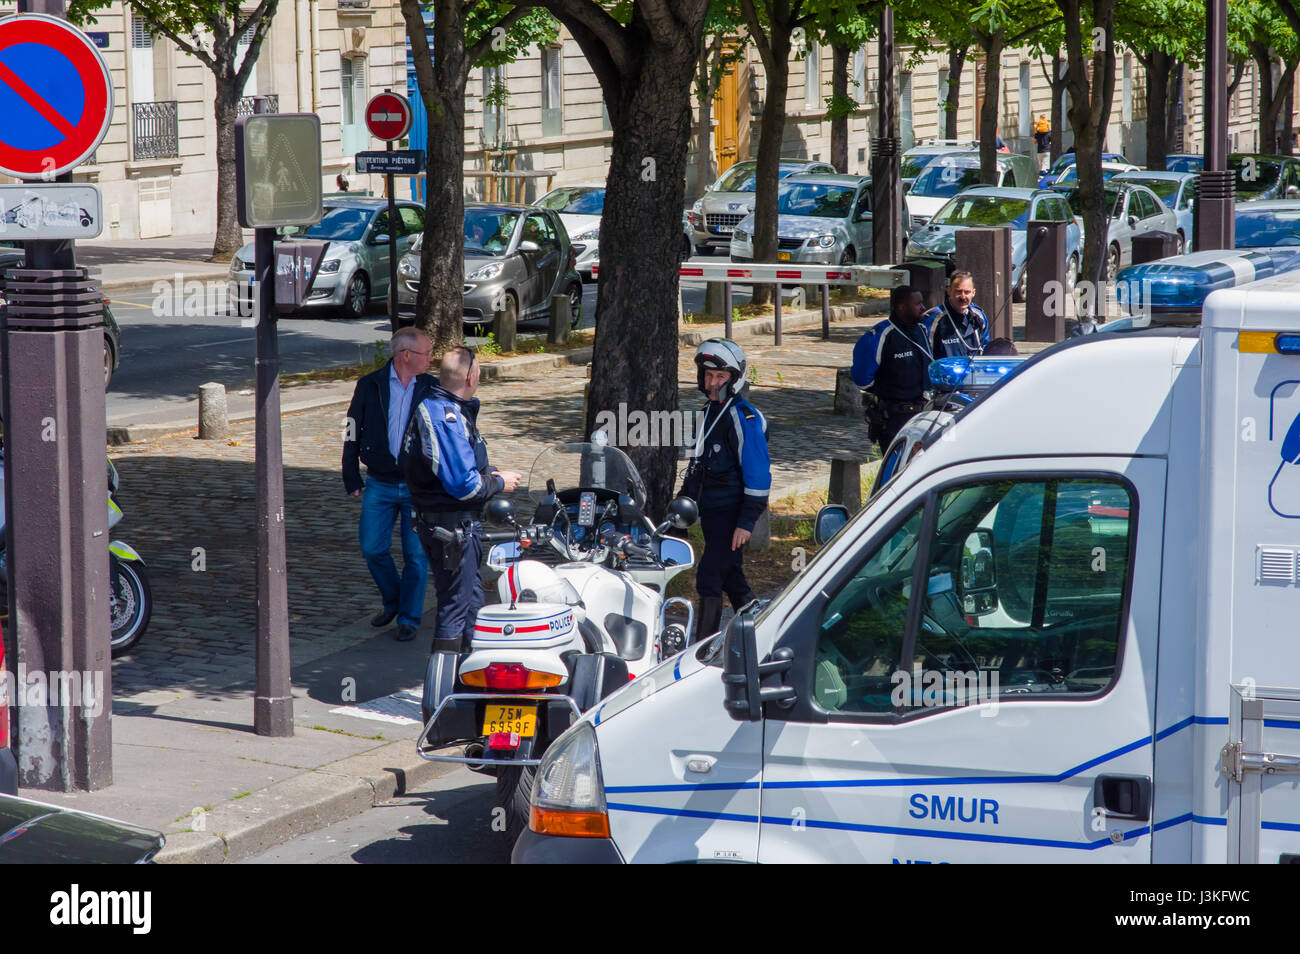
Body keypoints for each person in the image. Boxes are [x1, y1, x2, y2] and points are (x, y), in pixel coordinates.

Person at [407, 346, 522, 652]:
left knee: (471, 603)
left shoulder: (446, 408)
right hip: (451, 528)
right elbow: (464, 485)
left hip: (451, 525)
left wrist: (490, 471)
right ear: (470, 376)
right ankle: (442, 690)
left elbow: (459, 465)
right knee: (455, 607)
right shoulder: (445, 416)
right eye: (480, 373)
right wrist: (498, 482)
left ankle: (471, 679)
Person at [343, 327, 439, 641]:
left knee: (416, 556)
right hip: (380, 483)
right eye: (427, 353)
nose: (431, 358)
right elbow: (352, 429)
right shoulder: (370, 385)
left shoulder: (432, 387)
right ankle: (394, 600)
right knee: (372, 548)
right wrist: (350, 472)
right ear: (406, 355)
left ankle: (409, 619)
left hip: (418, 487)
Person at [678, 338, 771, 642]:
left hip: (732, 515)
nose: (712, 382)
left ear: (735, 379)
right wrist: (682, 503)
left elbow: (758, 474)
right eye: (708, 375)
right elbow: (697, 465)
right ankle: (764, 631)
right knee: (732, 577)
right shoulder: (707, 413)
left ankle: (701, 647)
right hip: (711, 513)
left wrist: (747, 522)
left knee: (709, 577)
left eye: (720, 377)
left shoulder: (742, 416)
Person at [852, 285, 935, 452]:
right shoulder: (881, 335)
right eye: (917, 304)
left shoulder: (922, 330)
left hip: (923, 413)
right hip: (895, 418)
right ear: (902, 307)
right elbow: (862, 379)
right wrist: (890, 391)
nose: (923, 308)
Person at [927, 270, 990, 359]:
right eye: (958, 291)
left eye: (967, 292)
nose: (963, 297)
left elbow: (986, 350)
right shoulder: (934, 319)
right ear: (949, 291)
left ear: (973, 293)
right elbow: (926, 355)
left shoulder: (979, 316)